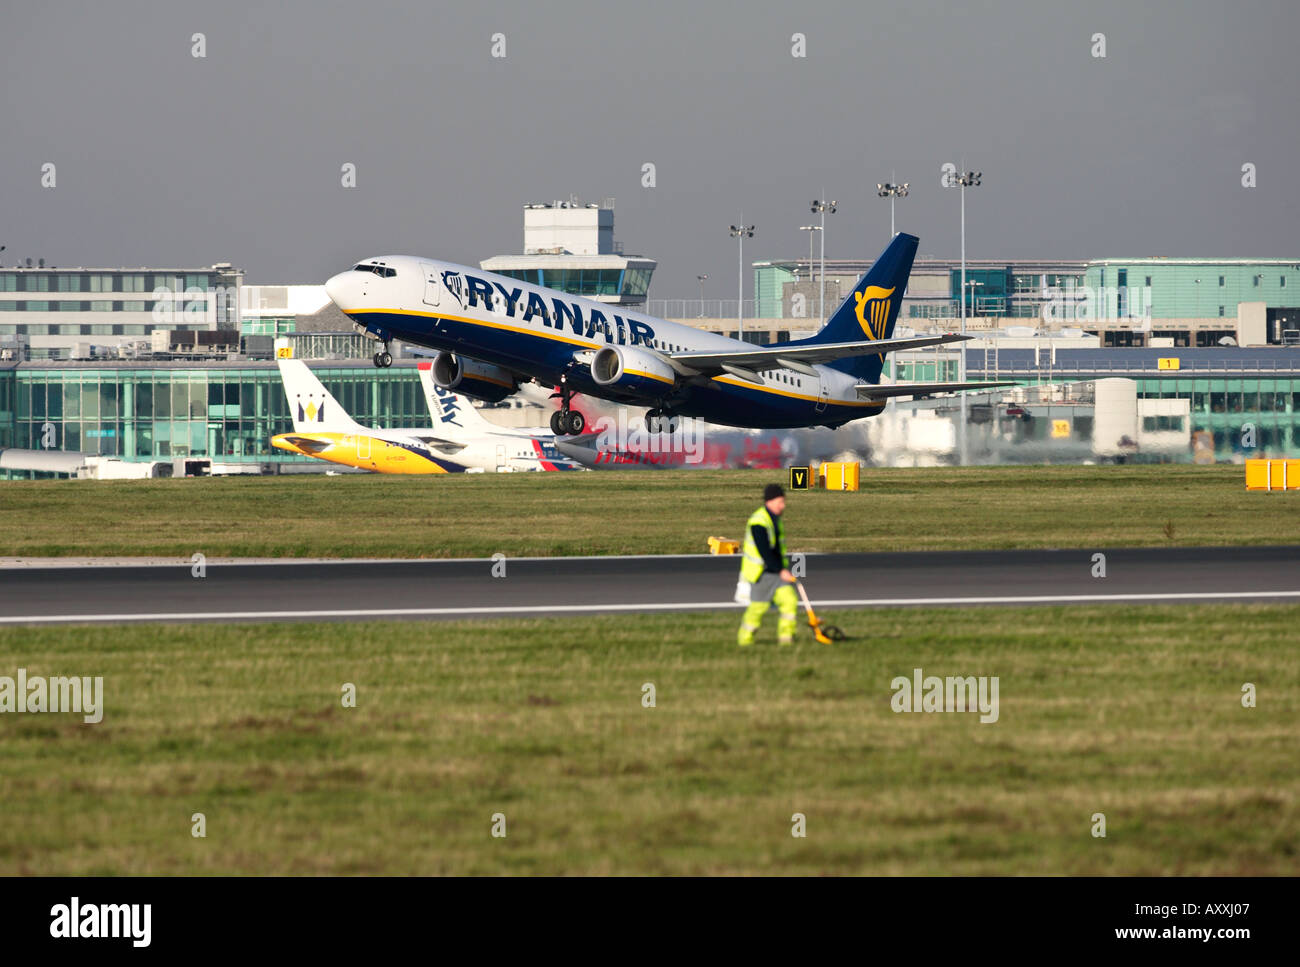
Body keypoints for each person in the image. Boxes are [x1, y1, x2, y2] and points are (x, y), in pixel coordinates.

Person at [737, 483, 798, 646]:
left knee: (790, 601)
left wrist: (781, 569)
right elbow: (764, 551)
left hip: (776, 573)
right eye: (780, 502)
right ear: (770, 501)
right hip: (760, 573)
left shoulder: (774, 520)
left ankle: (786, 639)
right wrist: (781, 570)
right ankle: (745, 639)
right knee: (758, 609)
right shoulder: (759, 521)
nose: (783, 506)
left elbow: (777, 548)